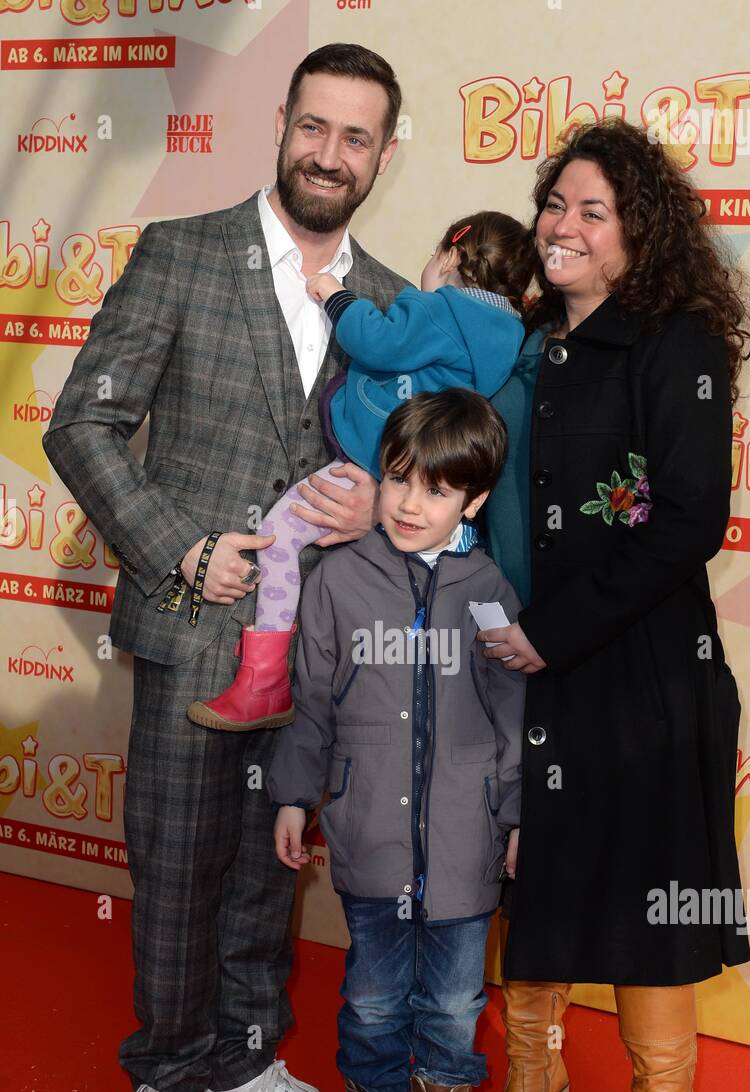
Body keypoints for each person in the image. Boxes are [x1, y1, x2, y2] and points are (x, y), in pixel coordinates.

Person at [41, 43, 415, 1092]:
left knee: (270, 863)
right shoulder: (184, 253)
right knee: (175, 864)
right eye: (315, 128)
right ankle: (164, 1079)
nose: (330, 155)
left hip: (315, 652)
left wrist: (376, 513)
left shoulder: (396, 306)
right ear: (281, 124)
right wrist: (181, 549)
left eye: (356, 138)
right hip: (193, 631)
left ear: (383, 156)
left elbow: (420, 486)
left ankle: (246, 1063)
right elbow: (81, 425)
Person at [469, 117, 750, 1092]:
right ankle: (535, 1089)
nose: (564, 227)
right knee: (531, 880)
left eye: (595, 212)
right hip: (525, 662)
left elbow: (686, 522)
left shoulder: (677, 342)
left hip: (636, 668)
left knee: (649, 903)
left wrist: (554, 632)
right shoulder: (531, 341)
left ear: (641, 234)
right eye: (556, 205)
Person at [267, 388, 527, 1092]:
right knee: (373, 1000)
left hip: (464, 845)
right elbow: (310, 703)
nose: (412, 504)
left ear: (474, 501)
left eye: (437, 489)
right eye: (398, 480)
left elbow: (513, 720)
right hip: (372, 835)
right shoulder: (338, 580)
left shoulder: (492, 592)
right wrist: (295, 796)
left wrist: (518, 814)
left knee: (452, 1007)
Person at [186, 210, 537, 730]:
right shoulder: (509, 333)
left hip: (367, 459)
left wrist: (335, 293)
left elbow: (377, 341)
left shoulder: (441, 310)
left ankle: (264, 682)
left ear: (452, 254)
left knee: (277, 537)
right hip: (410, 469)